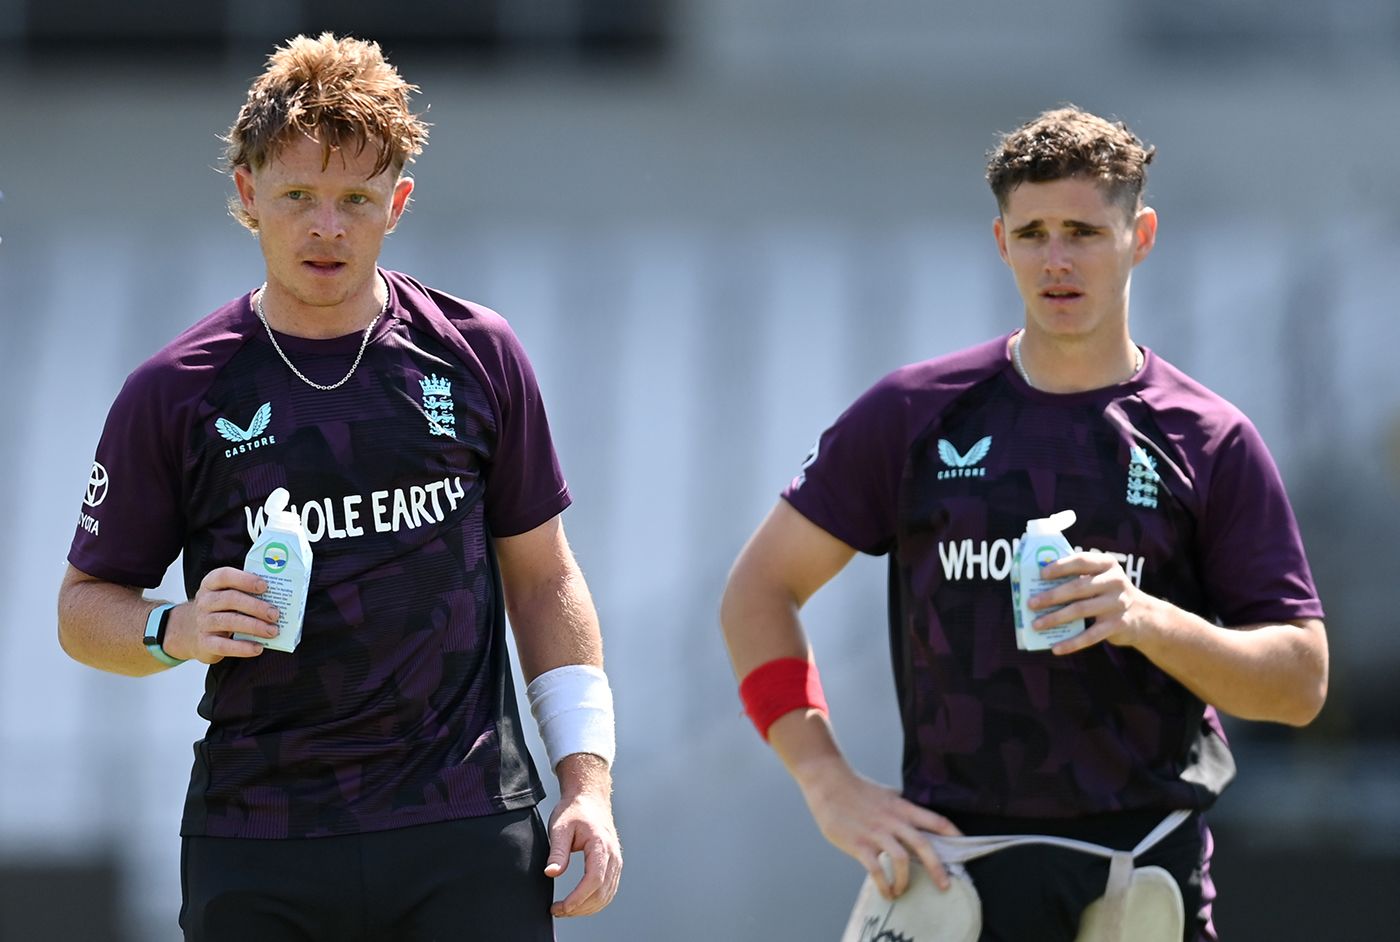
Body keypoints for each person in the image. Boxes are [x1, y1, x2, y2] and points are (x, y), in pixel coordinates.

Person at [58, 33, 620, 941]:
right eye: (297, 198)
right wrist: (176, 628)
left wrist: (586, 785)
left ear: (396, 202)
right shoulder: (176, 391)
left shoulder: (478, 354)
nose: (327, 227)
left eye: (355, 199)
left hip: (467, 829)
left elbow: (544, 579)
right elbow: (83, 609)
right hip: (261, 838)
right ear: (247, 195)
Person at [720, 105, 1328, 941]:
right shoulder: (913, 413)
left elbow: (1300, 680)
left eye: (1083, 230)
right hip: (953, 875)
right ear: (1001, 242)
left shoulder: (1208, 437)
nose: (1057, 259)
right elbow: (759, 592)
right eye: (1033, 231)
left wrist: (1146, 619)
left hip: (1142, 878)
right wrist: (826, 781)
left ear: (1140, 235)